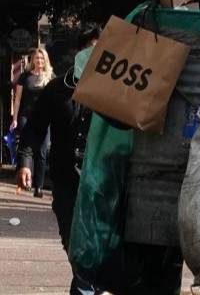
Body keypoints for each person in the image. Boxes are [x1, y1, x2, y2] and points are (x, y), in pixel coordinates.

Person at [20, 36, 104, 295]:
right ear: (78, 54)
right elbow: (34, 128)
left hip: (101, 186)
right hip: (67, 182)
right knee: (75, 248)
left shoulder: (112, 91)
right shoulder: (56, 89)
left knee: (96, 255)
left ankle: (89, 287)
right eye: (88, 49)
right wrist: (26, 163)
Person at [12, 44, 52, 196]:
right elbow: (17, 99)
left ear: (45, 60)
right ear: (33, 60)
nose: (39, 60)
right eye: (37, 57)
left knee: (41, 152)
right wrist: (15, 118)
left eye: (42, 57)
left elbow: (54, 101)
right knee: (26, 150)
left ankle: (39, 187)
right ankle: (26, 180)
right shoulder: (25, 76)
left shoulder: (50, 77)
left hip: (44, 119)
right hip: (26, 117)